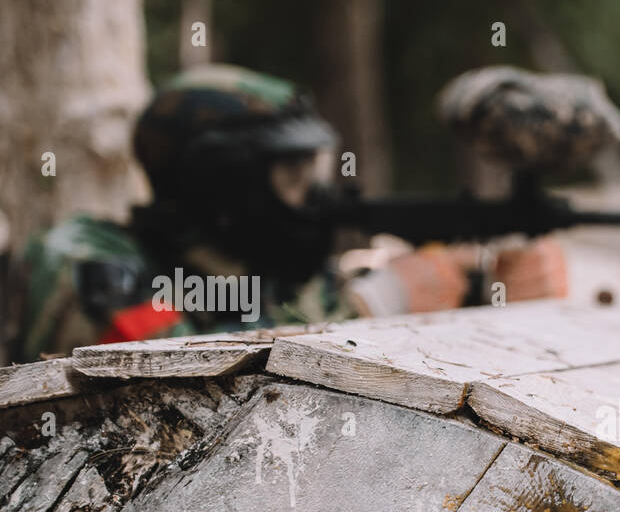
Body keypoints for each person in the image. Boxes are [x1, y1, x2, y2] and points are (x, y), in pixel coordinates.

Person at [14, 64, 567, 362]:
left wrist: (484, 291)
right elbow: (164, 376)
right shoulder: (83, 259)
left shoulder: (260, 274)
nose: (315, 195)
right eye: (292, 175)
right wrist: (376, 303)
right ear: (221, 182)